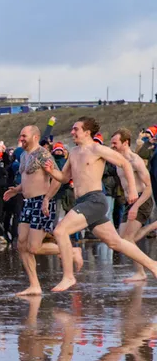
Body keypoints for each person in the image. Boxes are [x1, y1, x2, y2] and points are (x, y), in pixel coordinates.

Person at [46, 117, 157, 292]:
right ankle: (153, 265)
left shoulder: (97, 149)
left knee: (60, 231)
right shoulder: (73, 152)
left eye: (76, 129)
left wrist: (134, 191)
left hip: (95, 200)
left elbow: (125, 163)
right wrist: (50, 171)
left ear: (87, 132)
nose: (72, 132)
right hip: (82, 201)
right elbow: (65, 178)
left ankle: (68, 277)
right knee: (115, 242)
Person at [3, 125, 77, 296]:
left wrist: (47, 198)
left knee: (33, 247)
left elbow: (58, 179)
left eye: (24, 135)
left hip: (42, 202)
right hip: (28, 202)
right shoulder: (24, 155)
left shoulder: (42, 154)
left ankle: (70, 251)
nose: (21, 138)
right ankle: (34, 285)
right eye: (20, 135)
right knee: (21, 244)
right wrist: (16, 190)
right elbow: (29, 180)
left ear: (35, 137)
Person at [109, 128, 154, 283]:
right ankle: (153, 226)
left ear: (125, 142)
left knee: (127, 239)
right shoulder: (117, 161)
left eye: (115, 143)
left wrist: (136, 207)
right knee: (123, 239)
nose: (112, 145)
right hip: (130, 202)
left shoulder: (135, 161)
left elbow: (149, 188)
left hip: (142, 200)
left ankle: (141, 272)